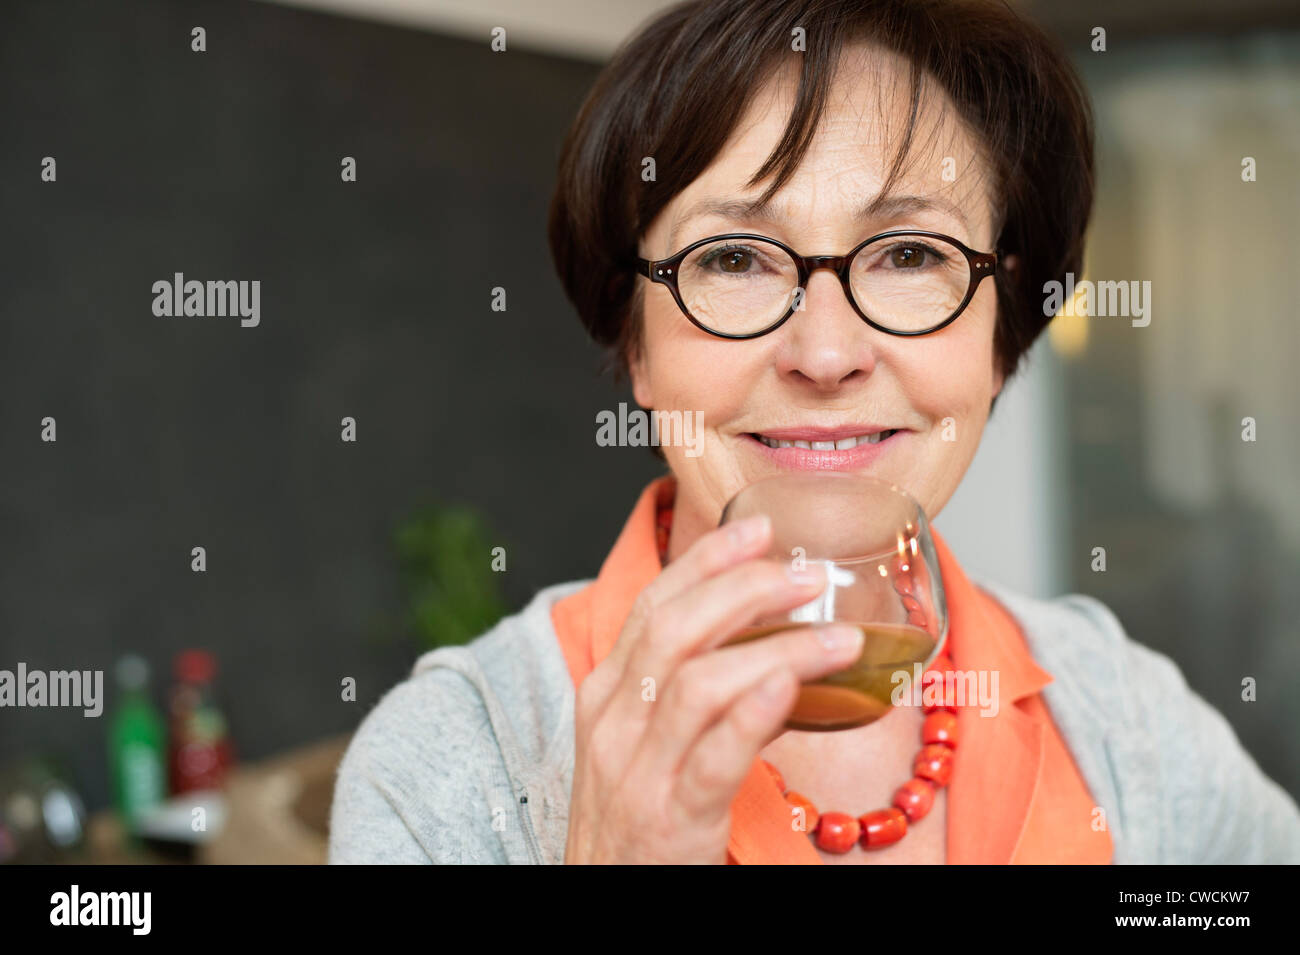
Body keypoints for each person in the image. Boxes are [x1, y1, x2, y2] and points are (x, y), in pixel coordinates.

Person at [329, 0, 1300, 864]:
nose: (825, 350)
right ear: (636, 343)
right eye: (735, 259)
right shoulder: (453, 764)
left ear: (999, 339)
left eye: (911, 253)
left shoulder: (1127, 719)